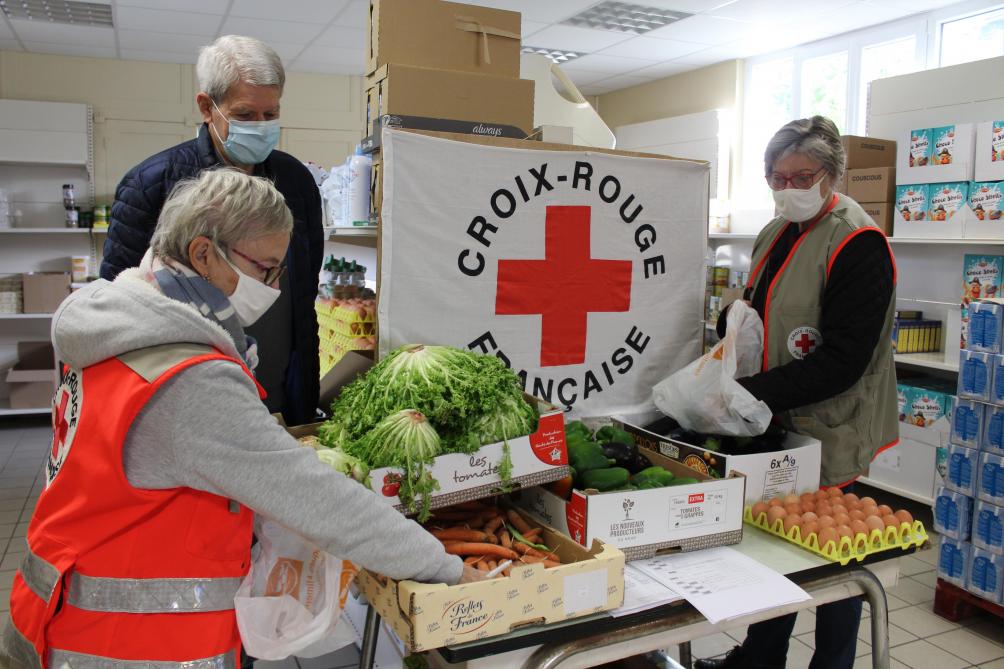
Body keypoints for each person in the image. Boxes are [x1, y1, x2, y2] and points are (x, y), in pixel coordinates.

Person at [3, 169, 481, 666]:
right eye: (267, 269)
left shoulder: (113, 326)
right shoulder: (188, 379)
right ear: (204, 254)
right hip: (130, 644)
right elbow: (317, 501)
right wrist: (443, 568)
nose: (274, 287)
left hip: (54, 607)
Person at [696, 116, 897, 669]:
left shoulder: (858, 243)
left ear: (831, 175)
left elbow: (844, 361)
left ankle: (832, 664)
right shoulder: (776, 231)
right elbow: (758, 307)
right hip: (778, 413)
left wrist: (749, 394)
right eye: (775, 179)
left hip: (833, 420)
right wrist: (728, 334)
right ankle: (760, 657)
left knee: (836, 557)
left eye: (800, 177)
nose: (787, 190)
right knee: (776, 545)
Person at [101, 34, 322, 426]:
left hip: (279, 385)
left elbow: (304, 293)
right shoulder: (152, 186)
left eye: (271, 115)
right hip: (186, 389)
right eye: (246, 115)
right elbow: (116, 305)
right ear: (207, 107)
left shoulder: (296, 182)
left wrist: (304, 393)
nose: (261, 126)